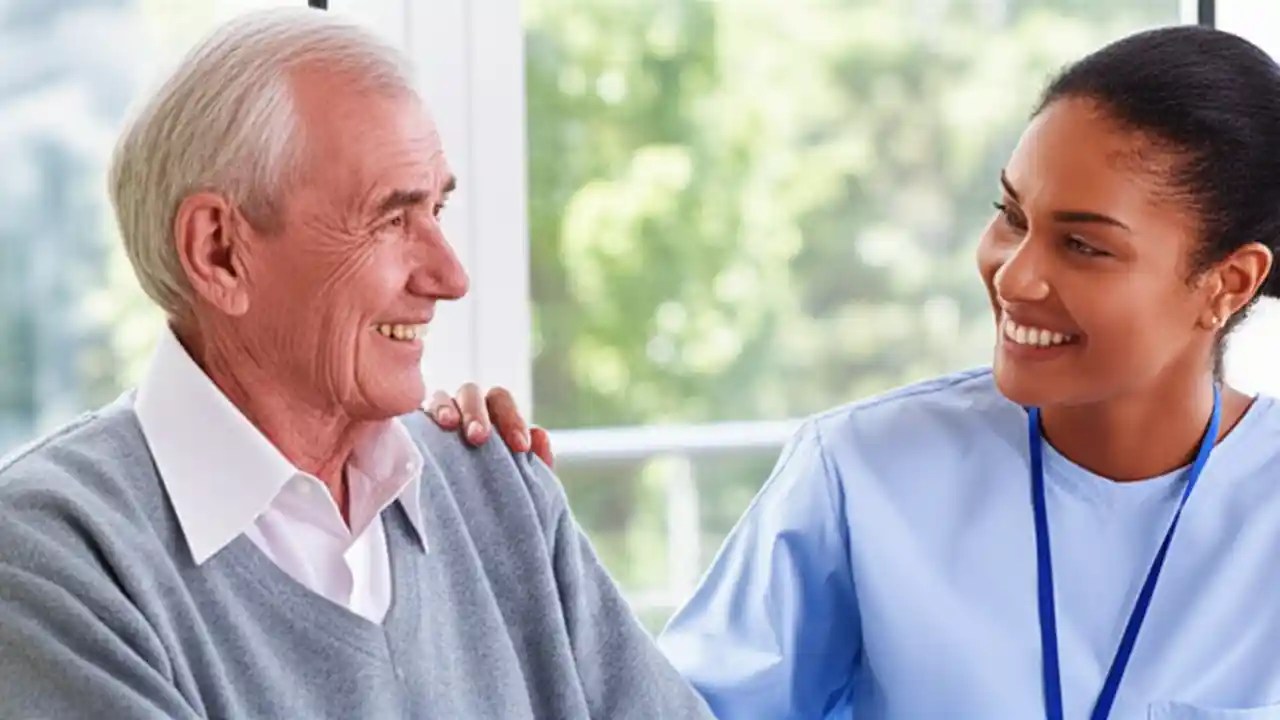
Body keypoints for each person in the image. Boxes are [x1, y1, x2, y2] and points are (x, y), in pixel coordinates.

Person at [438, 25, 1280, 719]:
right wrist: (490, 504)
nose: (1016, 275)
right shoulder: (862, 474)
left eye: (1084, 245)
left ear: (1228, 283)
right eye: (1011, 216)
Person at [0, 9, 713, 720]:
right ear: (218, 251)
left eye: (437, 210)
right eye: (391, 219)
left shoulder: (496, 490)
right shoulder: (50, 555)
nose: (450, 276)